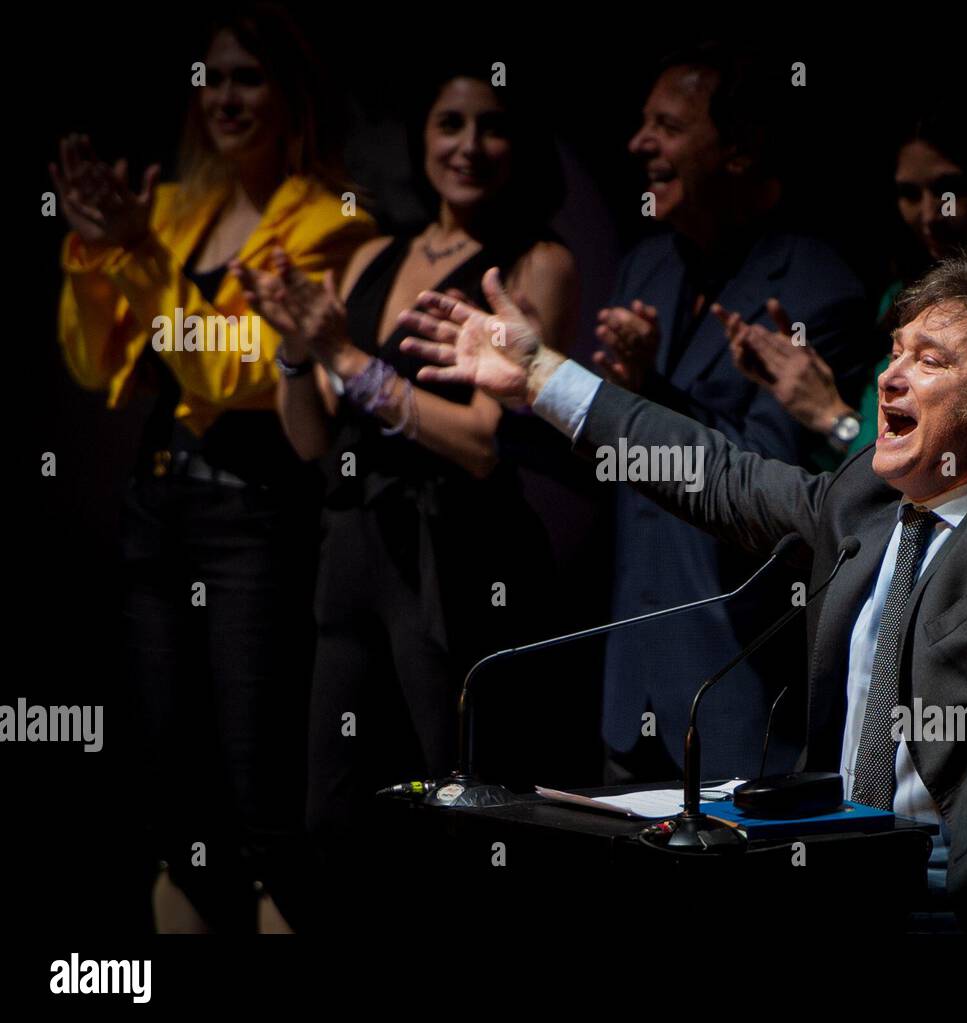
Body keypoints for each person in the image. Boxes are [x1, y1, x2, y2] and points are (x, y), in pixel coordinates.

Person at [399, 251, 967, 931]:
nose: (890, 376)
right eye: (896, 350)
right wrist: (540, 376)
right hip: (843, 887)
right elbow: (712, 471)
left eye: (930, 359)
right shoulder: (861, 504)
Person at [51, 7, 375, 932]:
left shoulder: (328, 217)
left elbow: (234, 372)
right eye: (213, 77)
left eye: (248, 77)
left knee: (260, 793)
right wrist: (93, 248)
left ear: (292, 96)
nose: (225, 96)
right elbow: (91, 360)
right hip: (158, 507)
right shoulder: (172, 207)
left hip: (256, 517)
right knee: (172, 801)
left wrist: (143, 257)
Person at [234, 66, 575, 925]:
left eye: (491, 126)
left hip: (461, 558)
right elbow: (315, 441)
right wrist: (294, 351)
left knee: (468, 815)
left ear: (521, 144)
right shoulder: (371, 254)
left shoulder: (537, 262)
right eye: (448, 123)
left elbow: (481, 444)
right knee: (335, 814)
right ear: (420, 137)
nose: (467, 146)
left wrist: (349, 360)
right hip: (353, 548)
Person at [584, 44, 871, 781]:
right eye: (641, 122)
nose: (639, 143)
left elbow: (766, 496)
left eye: (668, 126)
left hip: (736, 695)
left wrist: (649, 392)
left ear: (738, 150)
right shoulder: (644, 265)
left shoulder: (815, 288)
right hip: (632, 692)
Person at [725, 116, 967, 465]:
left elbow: (927, 467)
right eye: (910, 194)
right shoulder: (899, 296)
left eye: (949, 189)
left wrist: (832, 416)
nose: (930, 215)